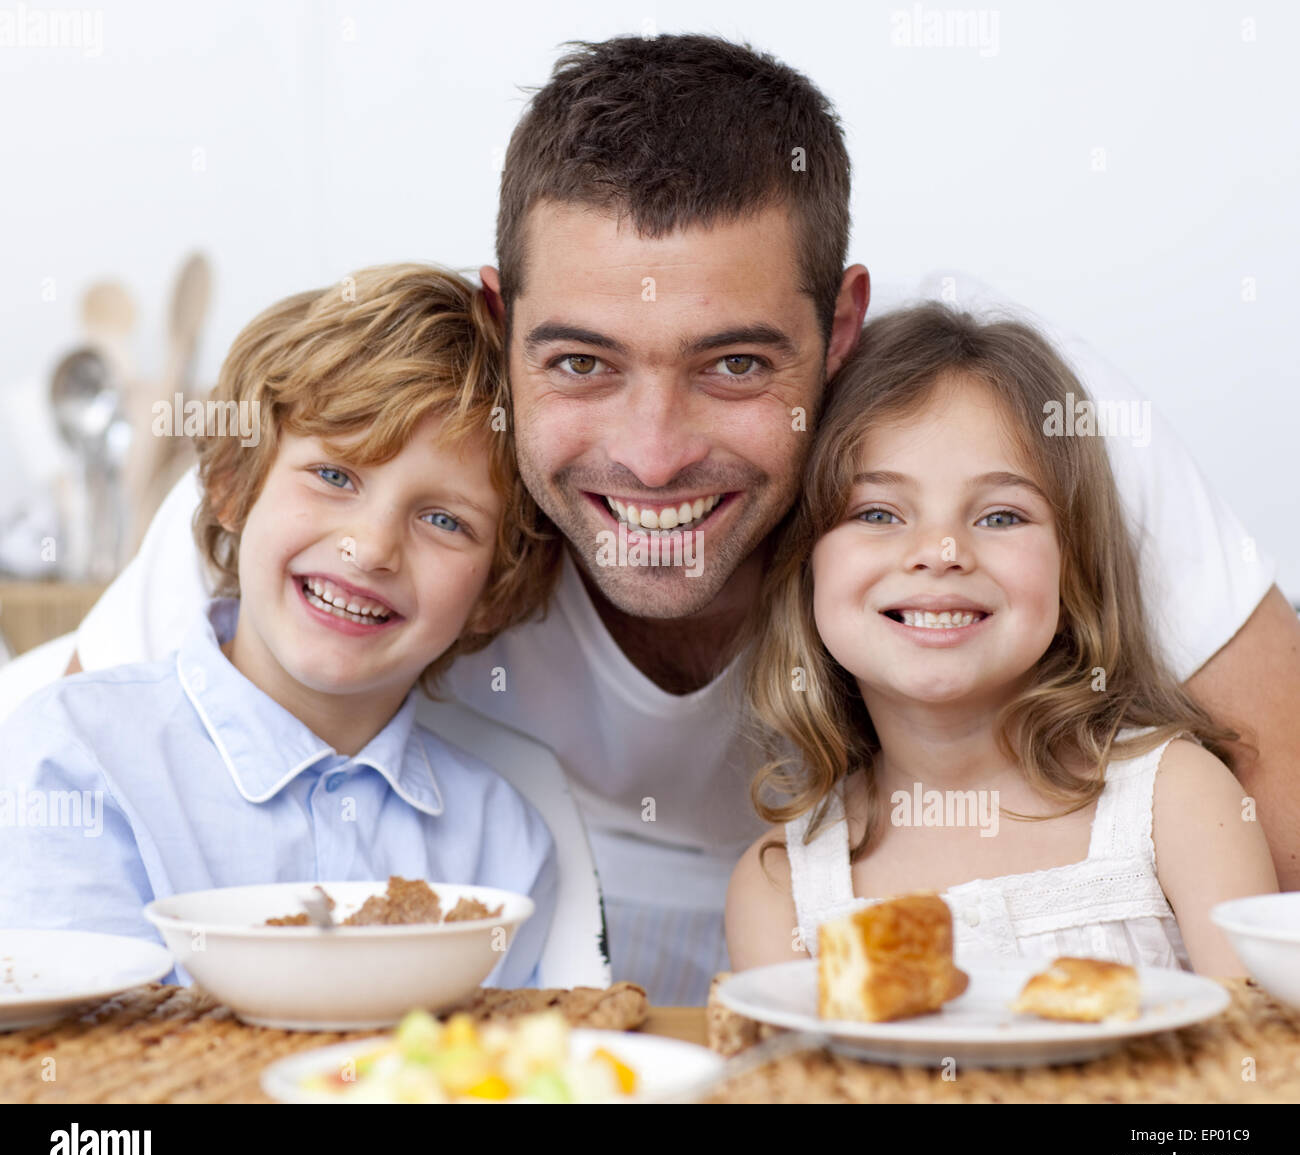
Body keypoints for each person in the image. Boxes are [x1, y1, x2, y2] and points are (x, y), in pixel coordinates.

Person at [56, 36, 1299, 1003]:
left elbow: (1274, 798)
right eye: (583, 362)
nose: (652, 458)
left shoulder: (1007, 433)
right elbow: (90, 761)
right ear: (502, 321)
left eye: (736, 366)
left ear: (841, 326)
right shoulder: (365, 464)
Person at [0, 264, 560, 987]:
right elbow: (70, 1062)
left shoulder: (503, 842)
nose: (371, 547)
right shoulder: (75, 758)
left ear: (495, 592)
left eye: (444, 519)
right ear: (233, 484)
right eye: (334, 476)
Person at [726, 304, 1279, 974]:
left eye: (999, 514)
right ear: (806, 565)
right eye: (877, 512)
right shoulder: (781, 888)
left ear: (1071, 564)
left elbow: (1258, 1064)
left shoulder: (1180, 801)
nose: (942, 550)